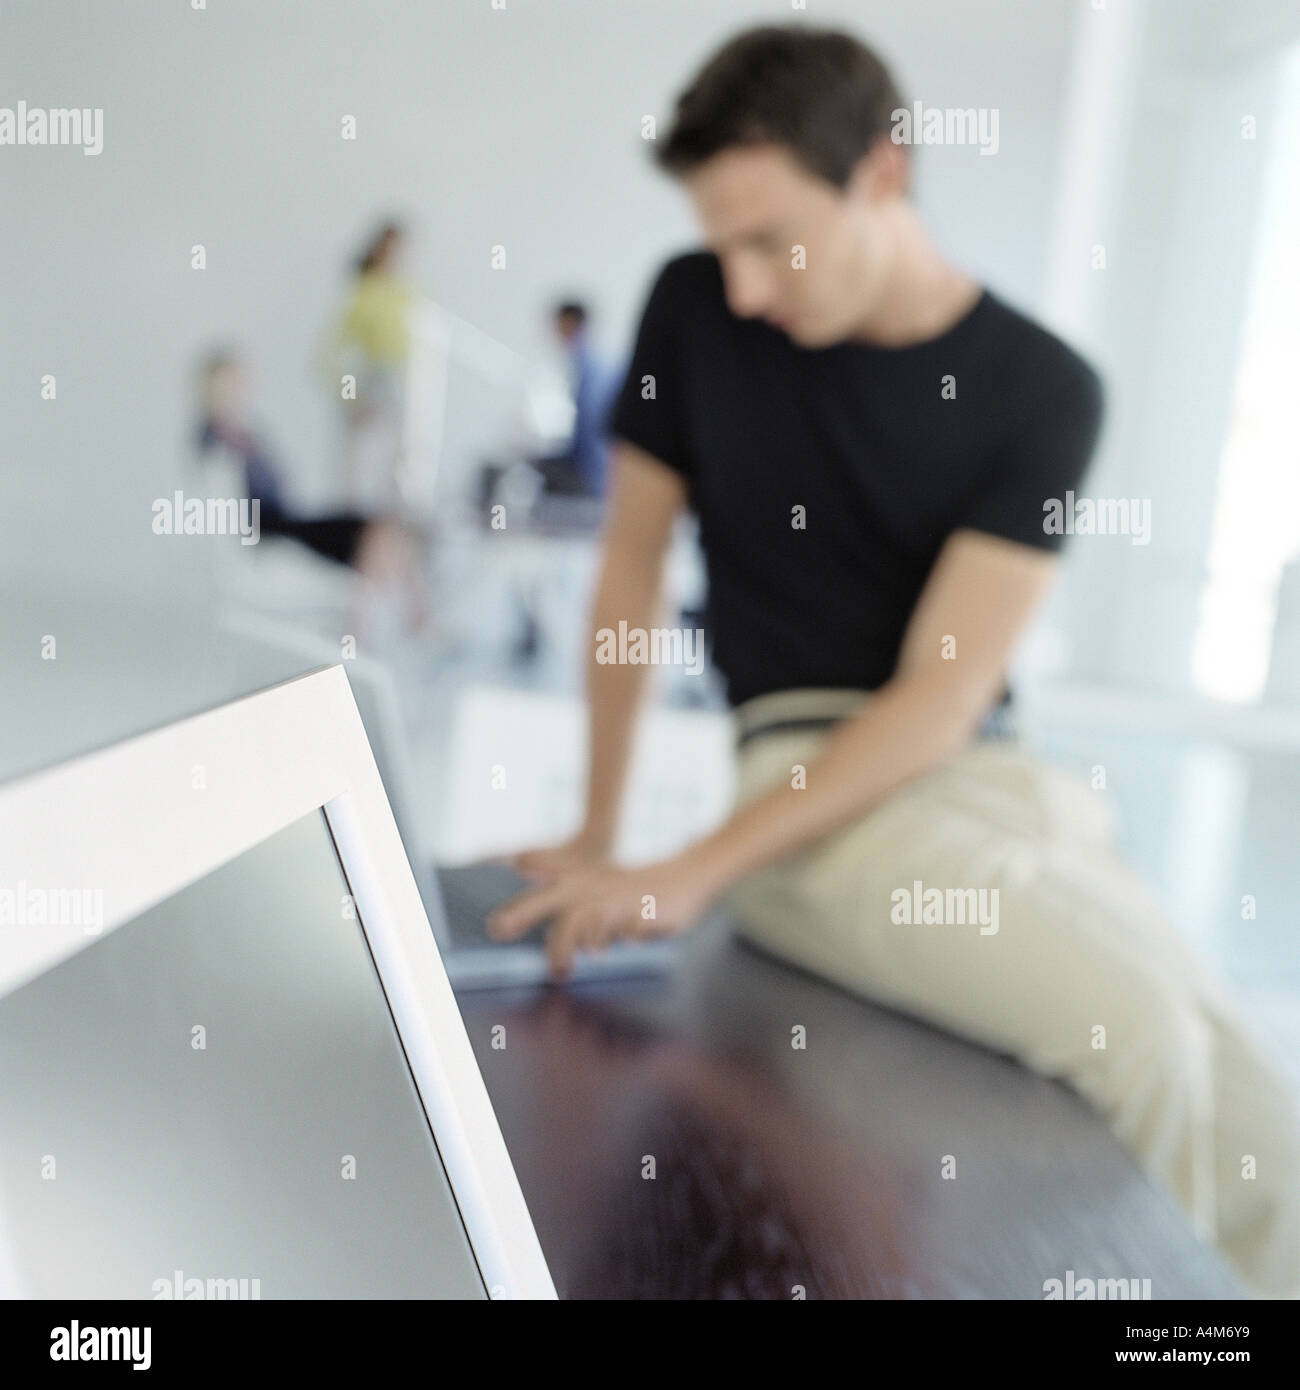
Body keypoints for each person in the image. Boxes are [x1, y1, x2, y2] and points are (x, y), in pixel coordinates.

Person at [486, 23, 1300, 1298]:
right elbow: (630, 571)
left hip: (980, 775)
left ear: (884, 173)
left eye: (772, 240)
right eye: (722, 244)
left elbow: (945, 692)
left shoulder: (1043, 388)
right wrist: (608, 834)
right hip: (809, 797)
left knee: (1239, 1078)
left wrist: (687, 872)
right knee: (1134, 1027)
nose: (745, 285)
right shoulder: (693, 306)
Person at [194, 348, 427, 633]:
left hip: (285, 520)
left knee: (382, 527)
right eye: (231, 382)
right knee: (375, 529)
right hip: (271, 531)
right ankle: (375, 633)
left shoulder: (245, 435)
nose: (240, 390)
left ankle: (406, 622)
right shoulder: (215, 439)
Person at [319, 220, 416, 508]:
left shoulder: (404, 294)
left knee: (397, 481)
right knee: (358, 483)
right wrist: (351, 400)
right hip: (371, 396)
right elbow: (330, 355)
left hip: (400, 397)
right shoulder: (363, 295)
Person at [532, 301, 622, 498]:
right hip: (600, 472)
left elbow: (590, 430)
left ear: (568, 323)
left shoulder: (590, 369)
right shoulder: (594, 363)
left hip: (592, 475)